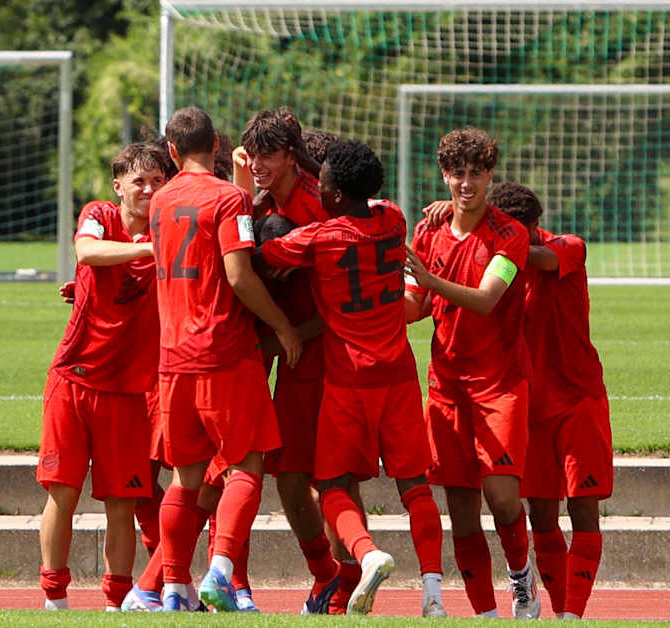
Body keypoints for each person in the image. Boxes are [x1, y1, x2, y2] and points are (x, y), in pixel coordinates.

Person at [260, 140, 446, 616]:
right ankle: (433, 595)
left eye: (321, 183)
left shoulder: (321, 238)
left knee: (332, 484)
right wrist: (308, 159)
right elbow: (369, 200)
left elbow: (267, 252)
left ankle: (367, 554)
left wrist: (258, 210)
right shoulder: (394, 219)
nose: (316, 187)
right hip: (400, 377)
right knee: (415, 486)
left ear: (337, 195)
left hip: (349, 381)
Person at [148, 106, 301, 612]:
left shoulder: (159, 200)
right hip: (224, 352)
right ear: (216, 143)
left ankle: (171, 588)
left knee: (185, 478)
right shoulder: (229, 196)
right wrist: (282, 324)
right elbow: (238, 275)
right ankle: (220, 569)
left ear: (171, 152)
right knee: (245, 467)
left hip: (173, 358)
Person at [403, 127, 539, 619]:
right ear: (444, 174)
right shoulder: (427, 232)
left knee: (502, 500)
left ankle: (523, 580)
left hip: (499, 387)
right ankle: (484, 615)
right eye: (457, 173)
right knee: (461, 514)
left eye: (476, 174)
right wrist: (367, 314)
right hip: (446, 389)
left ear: (490, 176)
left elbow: (485, 300)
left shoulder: (511, 235)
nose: (466, 183)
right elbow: (415, 305)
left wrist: (429, 279)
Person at [35, 142, 168, 611]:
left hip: (130, 390)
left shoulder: (168, 226)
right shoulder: (99, 215)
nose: (149, 189)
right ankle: (55, 600)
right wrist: (152, 248)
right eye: (139, 181)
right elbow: (87, 252)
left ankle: (117, 605)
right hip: (74, 378)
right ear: (118, 188)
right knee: (63, 492)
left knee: (122, 504)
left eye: (157, 181)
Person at [231, 108, 346, 615]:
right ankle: (323, 578)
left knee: (315, 476)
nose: (257, 163)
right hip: (276, 341)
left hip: (318, 349)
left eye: (268, 155)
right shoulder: (259, 204)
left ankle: (339, 585)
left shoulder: (314, 207)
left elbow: (342, 301)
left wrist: (288, 336)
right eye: (251, 153)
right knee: (258, 471)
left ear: (291, 157)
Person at [490, 182, 611, 620]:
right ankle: (558, 610)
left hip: (580, 399)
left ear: (533, 228)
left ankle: (573, 615)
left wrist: (484, 234)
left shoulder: (567, 247)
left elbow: (536, 257)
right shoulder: (501, 270)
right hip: (533, 408)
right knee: (541, 517)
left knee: (583, 511)